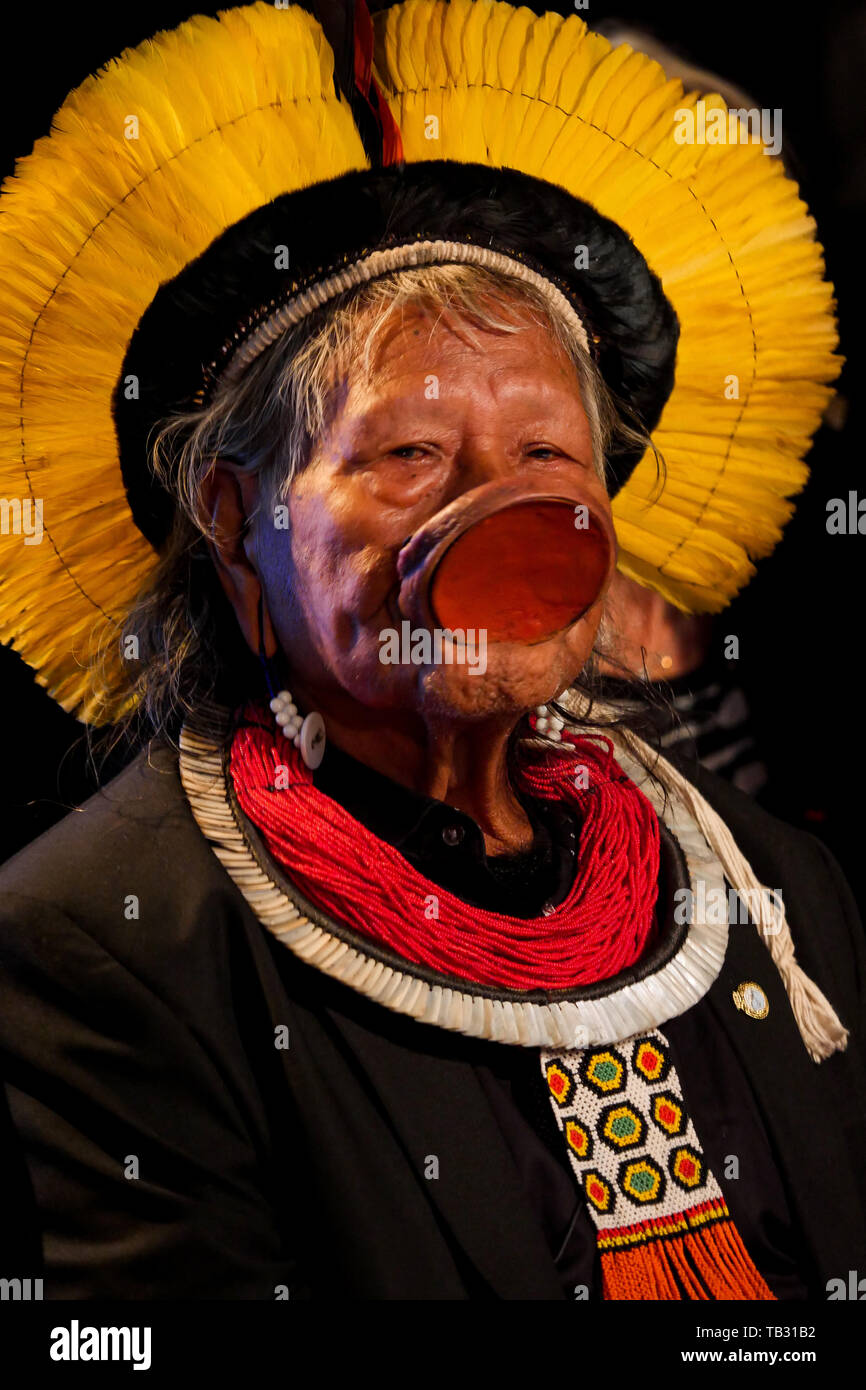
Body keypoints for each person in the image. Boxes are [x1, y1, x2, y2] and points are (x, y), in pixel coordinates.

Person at [0, 0, 864, 1301]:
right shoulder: (101, 942)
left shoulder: (771, 884)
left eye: (544, 458)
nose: (497, 512)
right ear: (239, 523)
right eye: (409, 455)